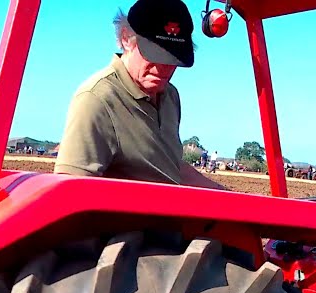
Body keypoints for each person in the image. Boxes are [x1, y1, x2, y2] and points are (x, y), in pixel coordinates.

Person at [54, 0, 224, 190]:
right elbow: (71, 186)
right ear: (126, 39)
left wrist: (230, 198)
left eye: (173, 58)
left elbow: (170, 168)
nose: (163, 68)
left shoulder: (170, 95)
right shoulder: (97, 99)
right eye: (155, 54)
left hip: (168, 217)